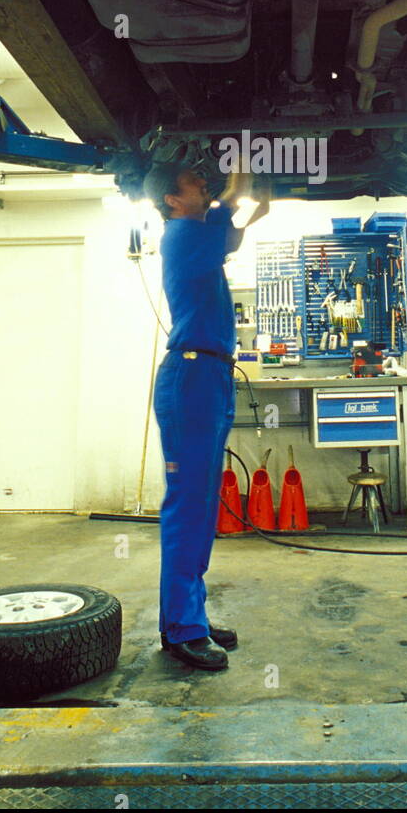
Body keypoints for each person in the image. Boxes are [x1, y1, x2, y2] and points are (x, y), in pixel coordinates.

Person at [142, 163, 269, 670]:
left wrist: (254, 201)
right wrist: (240, 176)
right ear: (173, 201)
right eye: (193, 182)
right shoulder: (179, 234)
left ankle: (189, 613)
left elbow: (235, 223)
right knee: (189, 506)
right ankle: (181, 630)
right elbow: (232, 205)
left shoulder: (199, 233)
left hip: (210, 377)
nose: (203, 185)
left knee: (201, 504)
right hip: (192, 378)